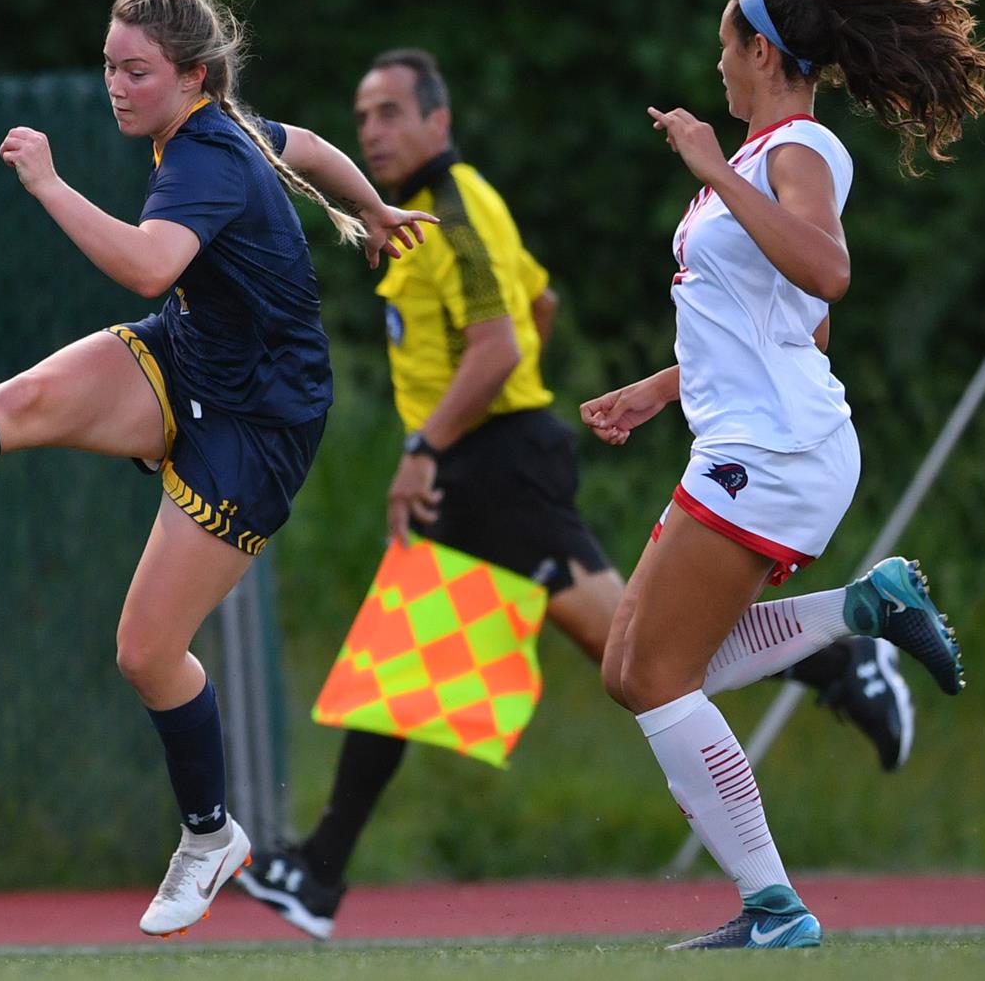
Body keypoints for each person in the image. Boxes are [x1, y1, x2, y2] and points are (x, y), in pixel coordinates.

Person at [237, 48, 917, 941]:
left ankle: (846, 657)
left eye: (392, 113)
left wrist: (423, 448)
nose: (373, 130)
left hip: (498, 463)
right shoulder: (434, 212)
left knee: (638, 655)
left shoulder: (453, 210)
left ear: (439, 123)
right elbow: (540, 307)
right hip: (490, 463)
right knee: (425, 656)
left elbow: (500, 349)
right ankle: (321, 868)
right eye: (363, 117)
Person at [0, 0, 430, 938]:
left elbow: (154, 263)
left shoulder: (203, 153)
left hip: (261, 425)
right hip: (189, 353)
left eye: (138, 71)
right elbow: (305, 145)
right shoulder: (222, 128)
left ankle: (211, 835)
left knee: (146, 654)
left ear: (191, 75)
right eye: (110, 64)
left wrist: (48, 183)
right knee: (22, 400)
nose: (117, 85)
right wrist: (371, 209)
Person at [582, 0, 985, 949]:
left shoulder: (794, 147)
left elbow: (827, 271)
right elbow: (790, 328)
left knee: (650, 675)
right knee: (631, 665)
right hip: (756, 437)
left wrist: (710, 165)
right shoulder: (765, 158)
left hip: (773, 450)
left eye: (723, 46)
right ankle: (863, 608)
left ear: (759, 49)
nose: (716, 67)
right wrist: (657, 388)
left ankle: (772, 907)